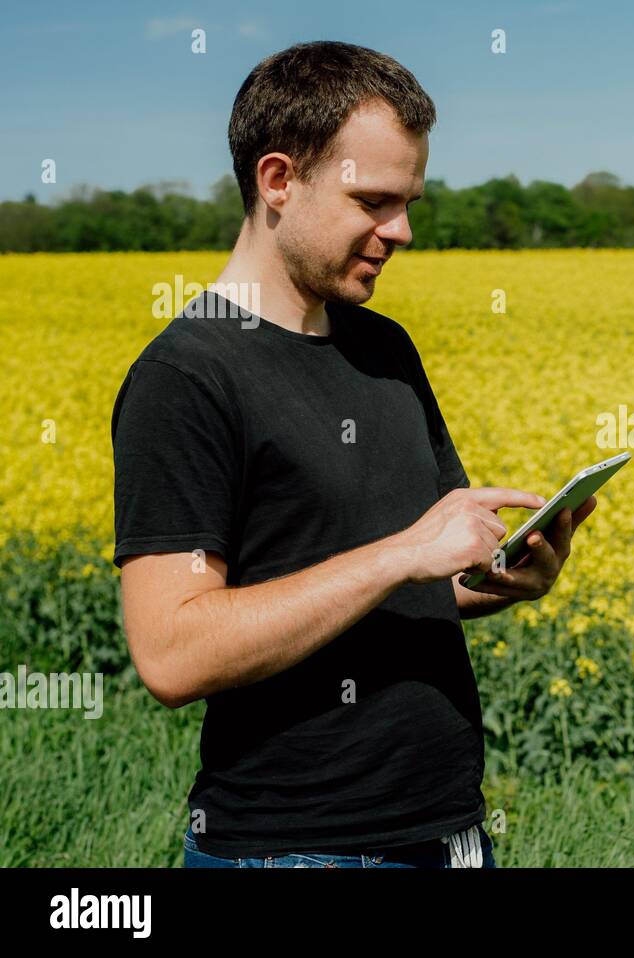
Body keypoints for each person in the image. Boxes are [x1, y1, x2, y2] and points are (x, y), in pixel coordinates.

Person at [110, 40, 596, 868]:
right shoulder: (187, 375)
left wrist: (507, 579)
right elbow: (172, 652)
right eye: (373, 200)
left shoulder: (385, 348)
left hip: (447, 831)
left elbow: (416, 584)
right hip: (297, 849)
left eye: (408, 201)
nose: (401, 231)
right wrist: (401, 554)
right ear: (278, 181)